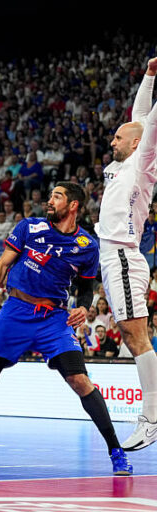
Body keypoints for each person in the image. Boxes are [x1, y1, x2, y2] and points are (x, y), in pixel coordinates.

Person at [0, 181, 132, 476]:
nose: (49, 200)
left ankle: (116, 452)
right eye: (50, 194)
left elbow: (86, 288)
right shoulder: (29, 227)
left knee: (80, 381)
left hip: (53, 318)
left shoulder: (87, 246)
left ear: (73, 205)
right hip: (15, 312)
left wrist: (84, 306)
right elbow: (1, 266)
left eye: (57, 196)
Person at [97, 57, 157, 451]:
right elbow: (139, 114)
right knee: (132, 335)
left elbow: (147, 122)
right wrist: (150, 75)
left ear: (137, 143)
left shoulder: (144, 161)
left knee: (136, 336)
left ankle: (151, 417)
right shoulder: (126, 160)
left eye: (119, 137)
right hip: (110, 255)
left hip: (122, 253)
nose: (112, 141)